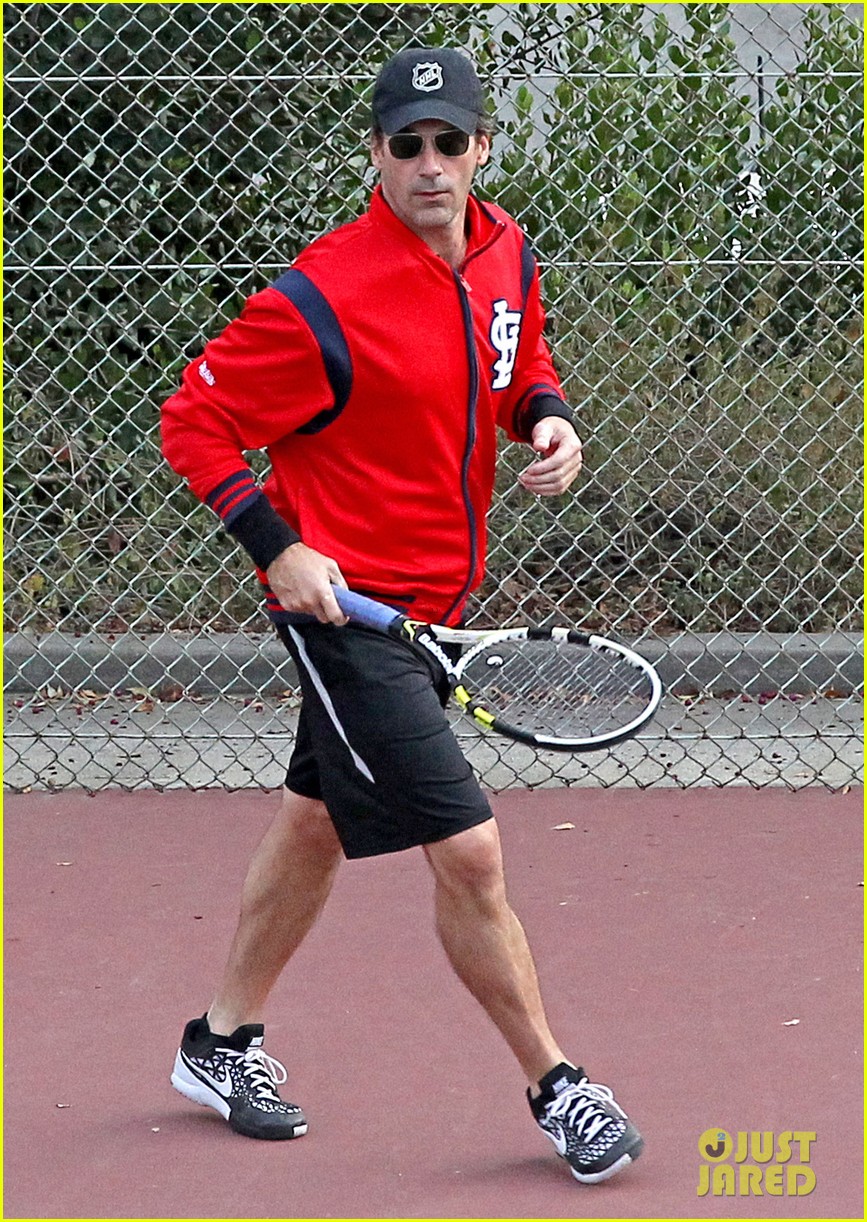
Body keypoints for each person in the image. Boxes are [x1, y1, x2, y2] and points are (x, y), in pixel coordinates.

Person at [160, 46, 642, 1184]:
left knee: (318, 819)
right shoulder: (322, 296)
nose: (431, 164)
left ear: (481, 147)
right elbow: (194, 422)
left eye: (450, 141)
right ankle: (560, 1086)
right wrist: (278, 550)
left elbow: (516, 363)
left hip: (439, 604)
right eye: (406, 144)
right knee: (469, 851)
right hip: (350, 613)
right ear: (375, 154)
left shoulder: (505, 250)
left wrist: (549, 421)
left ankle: (217, 1045)